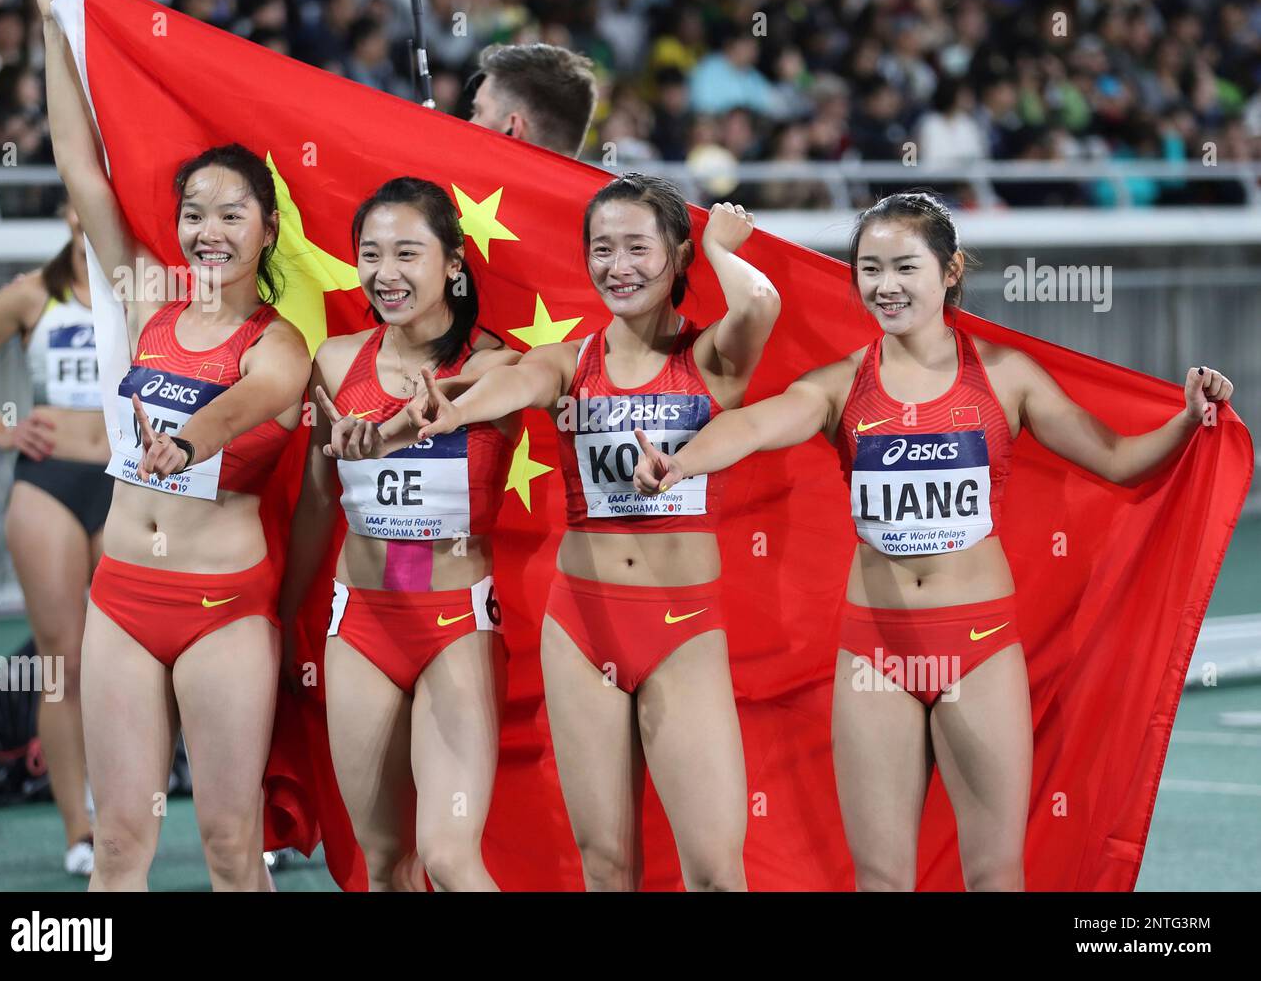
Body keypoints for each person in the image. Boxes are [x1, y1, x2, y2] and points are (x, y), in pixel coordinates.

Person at [632, 191, 1235, 891]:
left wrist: (1189, 419)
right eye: (869, 269)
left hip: (978, 650)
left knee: (994, 875)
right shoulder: (839, 387)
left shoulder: (1006, 379)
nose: (885, 286)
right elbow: (753, 426)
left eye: (904, 267)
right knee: (882, 880)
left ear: (950, 272)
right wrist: (682, 460)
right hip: (875, 656)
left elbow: (1120, 460)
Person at [414, 173, 781, 890]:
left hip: (681, 629)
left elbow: (761, 302)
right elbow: (513, 384)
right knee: (607, 866)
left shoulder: (711, 360)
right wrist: (459, 412)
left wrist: (720, 247)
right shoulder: (568, 361)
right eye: (602, 249)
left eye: (638, 249)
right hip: (580, 625)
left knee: (713, 870)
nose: (619, 267)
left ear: (678, 255)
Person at [39, 0, 311, 891]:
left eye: (232, 215)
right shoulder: (142, 293)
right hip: (120, 598)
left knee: (232, 851)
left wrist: (188, 437)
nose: (208, 230)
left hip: (223, 609)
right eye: (194, 212)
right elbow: (81, 166)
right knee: (120, 847)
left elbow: (254, 401)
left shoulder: (279, 341)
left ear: (266, 230)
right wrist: (56, 28)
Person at [278, 177, 519, 891]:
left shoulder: (497, 365)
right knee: (384, 865)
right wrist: (282, 614)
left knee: (447, 857)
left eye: (407, 254)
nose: (385, 274)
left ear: (453, 262)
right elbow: (319, 503)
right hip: (359, 629)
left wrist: (378, 434)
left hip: (455, 627)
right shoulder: (334, 362)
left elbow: (444, 407)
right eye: (370, 254)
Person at [0, 204, 106, 877]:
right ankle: (79, 830)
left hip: (128, 485)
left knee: (131, 665)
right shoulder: (31, 292)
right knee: (64, 663)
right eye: (77, 195)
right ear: (63, 210)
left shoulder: (144, 287)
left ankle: (127, 811)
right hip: (49, 483)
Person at [468, 42, 598, 159]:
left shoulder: (453, 183)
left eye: (478, 111)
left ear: (514, 130)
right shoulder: (604, 184)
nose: (469, 123)